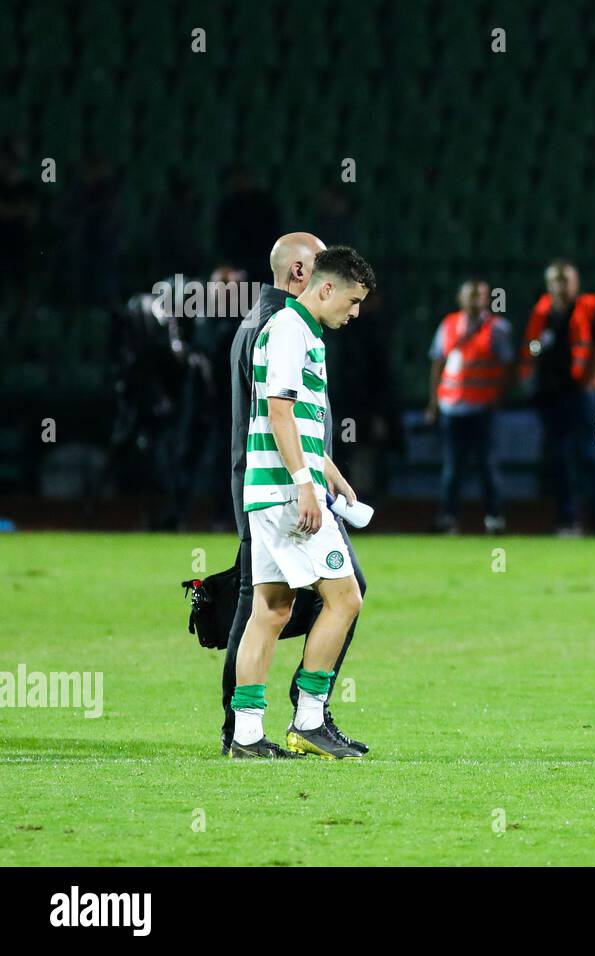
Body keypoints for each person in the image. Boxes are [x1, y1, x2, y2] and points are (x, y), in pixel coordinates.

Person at [223, 236, 368, 758]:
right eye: (351, 302)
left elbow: (289, 416)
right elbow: (279, 414)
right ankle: (309, 719)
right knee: (345, 597)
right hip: (287, 495)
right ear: (324, 287)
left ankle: (245, 735)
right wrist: (307, 485)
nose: (354, 314)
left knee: (271, 610)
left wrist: (329, 470)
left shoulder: (296, 330)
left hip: (269, 489)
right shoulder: (289, 331)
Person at [519, 259, 595, 535]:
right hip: (550, 394)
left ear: (576, 283)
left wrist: (591, 382)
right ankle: (567, 519)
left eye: (566, 280)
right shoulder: (543, 313)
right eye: (556, 281)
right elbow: (531, 347)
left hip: (580, 391)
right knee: (558, 458)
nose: (561, 286)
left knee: (588, 456)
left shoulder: (589, 309)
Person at [425, 278, 513, 533]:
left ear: (486, 299)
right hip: (453, 407)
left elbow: (507, 367)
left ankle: (494, 518)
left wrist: (498, 397)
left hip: (483, 408)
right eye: (470, 295)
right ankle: (449, 518)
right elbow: (437, 362)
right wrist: (434, 402)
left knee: (487, 465)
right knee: (452, 468)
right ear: (460, 298)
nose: (474, 300)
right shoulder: (449, 324)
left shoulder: (498, 328)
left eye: (479, 296)